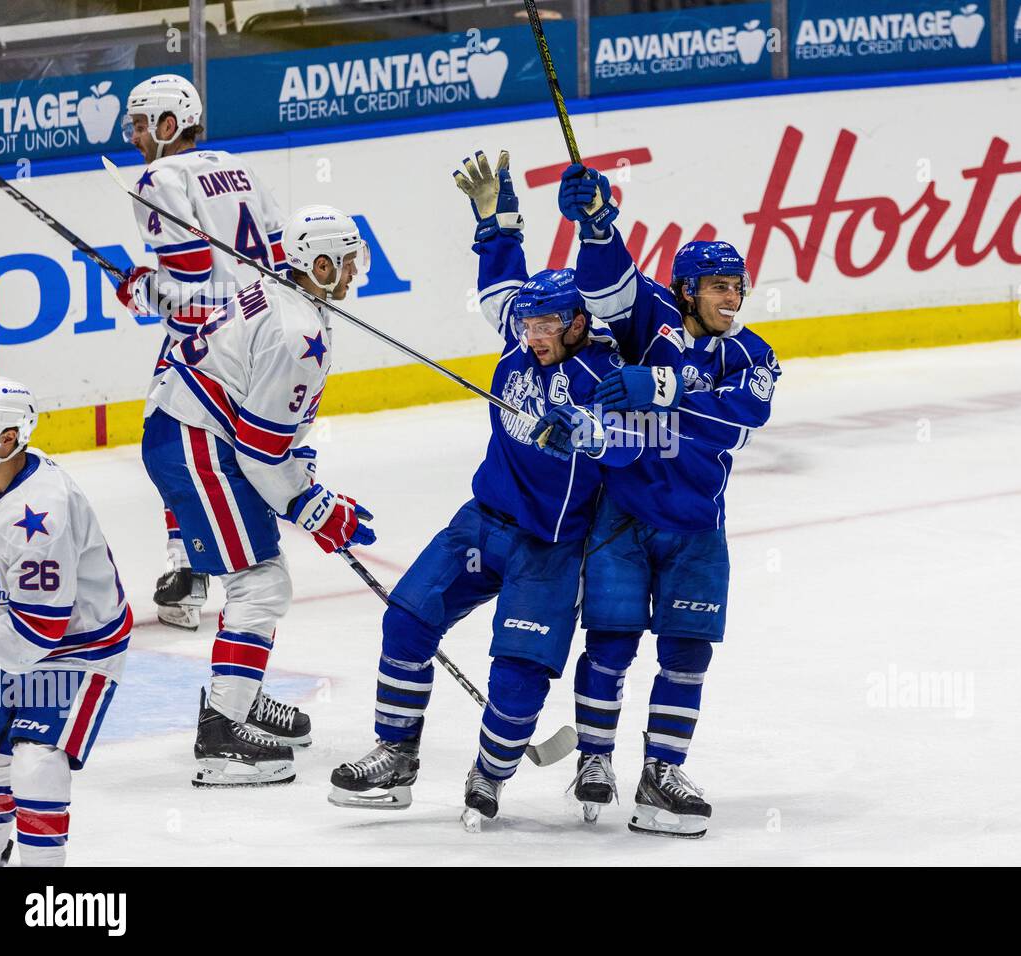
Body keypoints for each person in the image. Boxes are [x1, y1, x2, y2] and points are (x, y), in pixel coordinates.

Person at [328, 150, 640, 830]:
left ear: (578, 324)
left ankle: (490, 769)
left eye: (547, 329)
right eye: (528, 329)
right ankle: (396, 754)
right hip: (483, 521)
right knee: (406, 619)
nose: (533, 340)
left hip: (549, 547)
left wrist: (583, 433)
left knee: (519, 675)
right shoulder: (521, 332)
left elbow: (630, 438)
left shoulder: (607, 369)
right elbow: (501, 283)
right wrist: (495, 223)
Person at [557, 164, 781, 838]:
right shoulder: (649, 318)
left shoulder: (752, 352)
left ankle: (662, 773)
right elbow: (607, 287)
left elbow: (745, 414)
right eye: (718, 287)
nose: (731, 298)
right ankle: (595, 761)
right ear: (685, 290)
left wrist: (661, 389)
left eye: (737, 287)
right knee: (611, 642)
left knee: (688, 652)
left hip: (696, 527)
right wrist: (598, 228)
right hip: (623, 517)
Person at [142, 204, 376, 786]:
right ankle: (221, 734)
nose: (353, 272)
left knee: (258, 577)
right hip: (199, 444)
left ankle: (240, 699)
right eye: (345, 262)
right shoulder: (297, 330)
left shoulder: (277, 293)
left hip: (192, 429)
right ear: (317, 263)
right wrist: (314, 507)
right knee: (261, 581)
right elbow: (261, 453)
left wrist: (308, 489)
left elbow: (274, 428)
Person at [116, 73, 289, 635]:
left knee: (174, 441)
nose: (136, 136)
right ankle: (198, 564)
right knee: (216, 450)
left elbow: (190, 283)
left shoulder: (158, 177)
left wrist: (140, 290)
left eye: (143, 124)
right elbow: (281, 260)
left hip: (212, 340)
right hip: (265, 332)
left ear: (170, 125)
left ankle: (193, 571)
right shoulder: (238, 167)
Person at [0, 378, 132, 866]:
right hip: (7, 631)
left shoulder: (38, 511)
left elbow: (41, 628)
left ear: (6, 438)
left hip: (80, 646)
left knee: (35, 762)